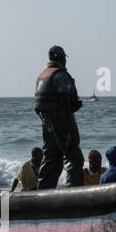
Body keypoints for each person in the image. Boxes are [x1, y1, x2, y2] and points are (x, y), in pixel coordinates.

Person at [33, 45, 84, 189]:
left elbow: (39, 106)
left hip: (46, 122)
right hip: (60, 121)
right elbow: (64, 105)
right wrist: (67, 130)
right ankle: (74, 194)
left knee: (51, 159)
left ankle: (42, 194)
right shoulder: (61, 75)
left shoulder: (42, 76)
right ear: (61, 59)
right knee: (74, 158)